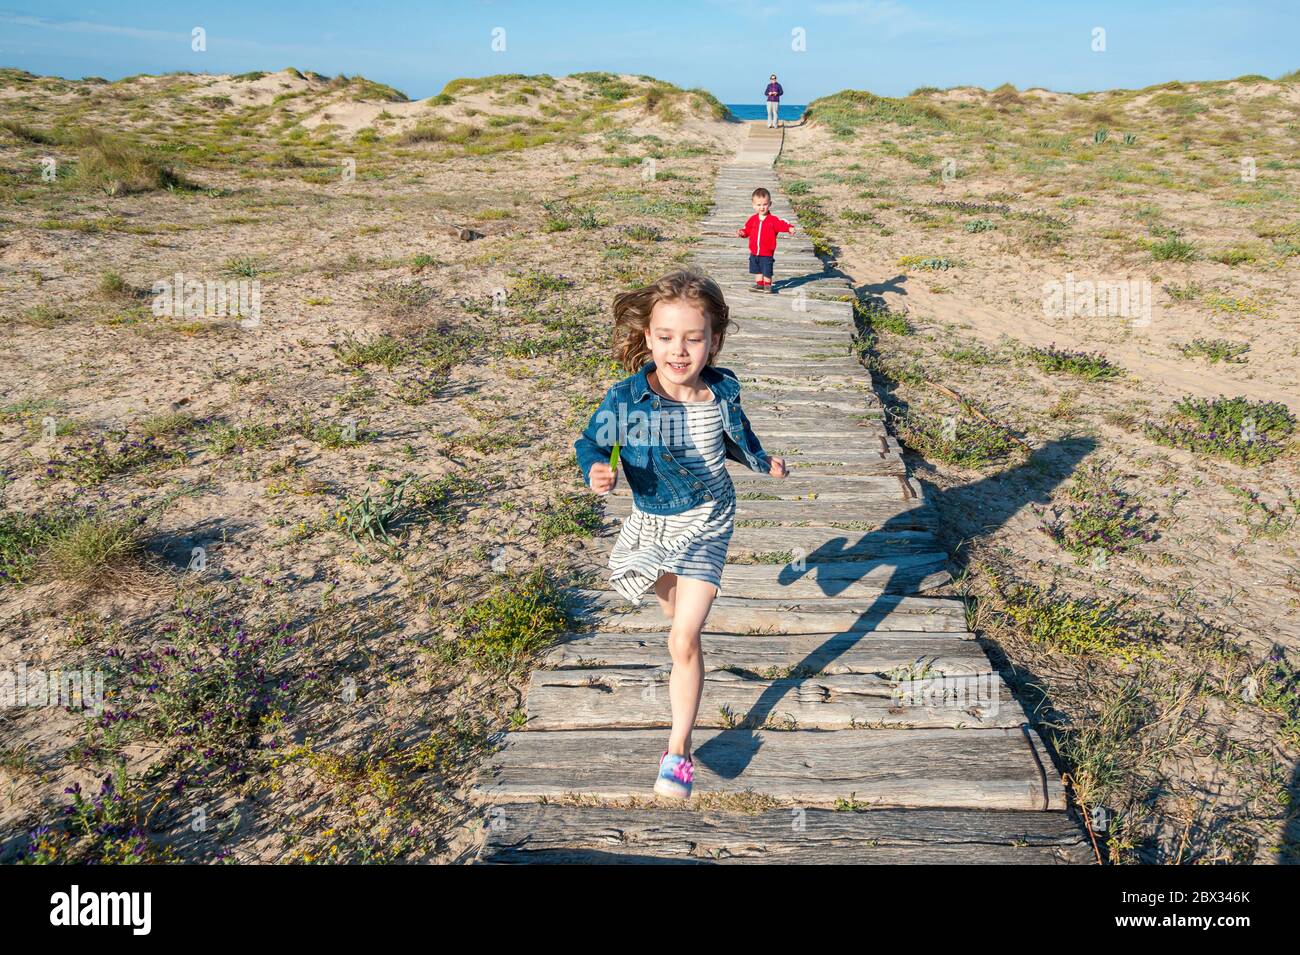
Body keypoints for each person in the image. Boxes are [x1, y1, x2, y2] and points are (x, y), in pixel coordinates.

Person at [574, 270, 789, 799]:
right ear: (648, 337)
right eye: (667, 337)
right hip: (653, 522)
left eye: (694, 338)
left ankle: (678, 752)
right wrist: (597, 469)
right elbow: (591, 442)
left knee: (682, 637)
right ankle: (685, 667)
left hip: (711, 518)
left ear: (713, 341)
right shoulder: (627, 399)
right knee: (678, 629)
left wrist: (761, 461)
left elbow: (732, 438)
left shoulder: (722, 390)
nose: (679, 350)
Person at [736, 187, 794, 293]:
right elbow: (746, 230)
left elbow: (782, 223)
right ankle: (759, 284)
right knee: (757, 269)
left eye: (765, 204)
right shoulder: (753, 219)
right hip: (754, 252)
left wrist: (789, 228)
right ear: (753, 205)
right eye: (759, 205)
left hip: (767, 252)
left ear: (770, 204)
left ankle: (767, 285)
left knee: (767, 270)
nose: (762, 207)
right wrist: (742, 233)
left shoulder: (773, 220)